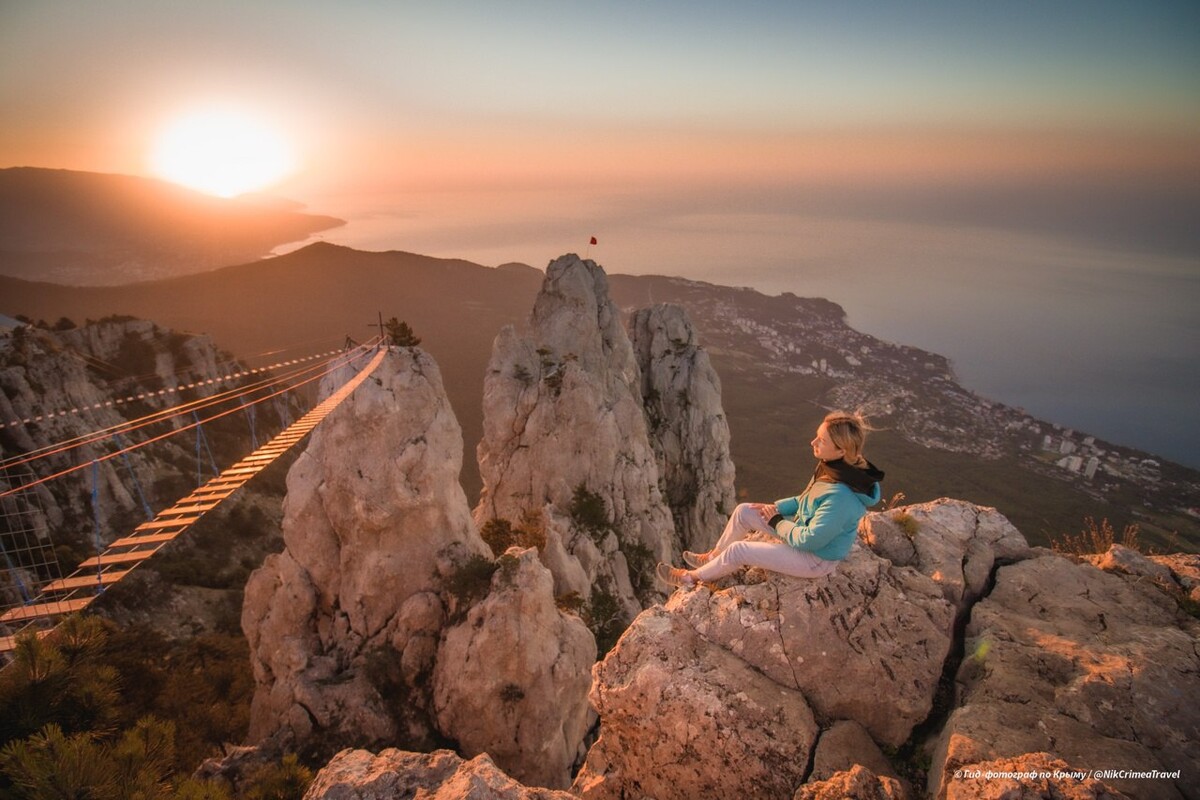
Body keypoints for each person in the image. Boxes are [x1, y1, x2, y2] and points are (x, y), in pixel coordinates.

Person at [656, 410, 884, 589]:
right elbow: (807, 499)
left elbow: (809, 541)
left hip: (815, 558)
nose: (813, 443)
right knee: (745, 511)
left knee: (739, 551)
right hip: (802, 532)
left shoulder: (841, 497)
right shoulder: (834, 468)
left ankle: (690, 578)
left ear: (841, 450)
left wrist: (777, 521)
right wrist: (776, 508)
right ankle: (713, 558)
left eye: (821, 441)